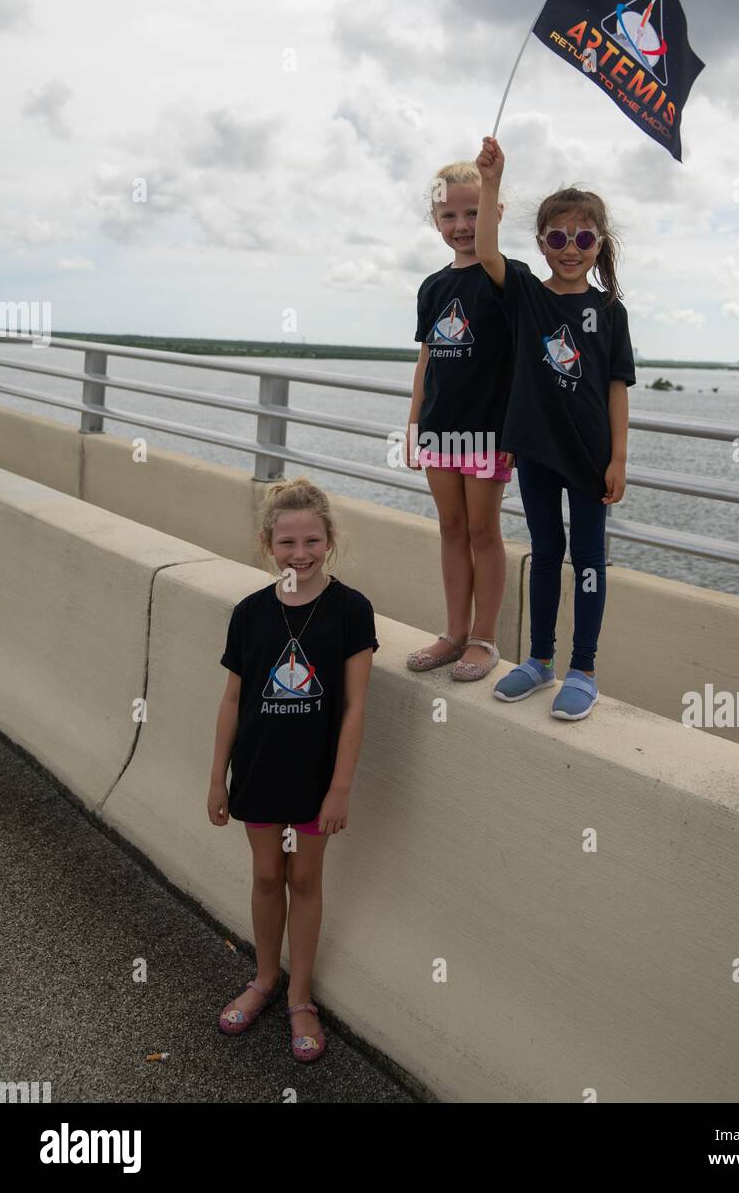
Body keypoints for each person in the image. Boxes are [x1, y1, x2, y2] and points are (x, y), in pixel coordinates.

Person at [208, 477, 379, 1061]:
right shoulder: (249, 614)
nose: (299, 554)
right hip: (257, 771)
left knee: (304, 880)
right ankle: (264, 979)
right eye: (287, 543)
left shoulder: (352, 611)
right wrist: (216, 778)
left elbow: (355, 706)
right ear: (267, 544)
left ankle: (300, 997)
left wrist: (340, 787)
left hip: (314, 779)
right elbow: (232, 701)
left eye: (311, 541)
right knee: (265, 877)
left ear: (329, 540)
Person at [473, 135, 635, 720]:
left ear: (599, 245)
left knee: (588, 560)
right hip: (537, 452)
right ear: (541, 243)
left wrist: (618, 458)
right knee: (545, 553)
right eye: (558, 238)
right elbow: (487, 251)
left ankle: (583, 668)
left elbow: (617, 388)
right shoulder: (524, 296)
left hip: (590, 456)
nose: (571, 249)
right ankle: (539, 660)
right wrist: (491, 182)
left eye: (584, 238)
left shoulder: (609, 312)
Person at [404, 160, 517, 681]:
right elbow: (427, 360)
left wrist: (490, 178)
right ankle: (453, 632)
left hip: (487, 430)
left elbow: (489, 250)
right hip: (440, 430)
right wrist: (413, 426)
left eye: (474, 212)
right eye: (448, 214)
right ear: (435, 221)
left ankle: (484, 637)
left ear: (495, 213)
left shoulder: (503, 276)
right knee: (450, 528)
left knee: (481, 528)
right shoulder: (432, 287)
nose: (462, 225)